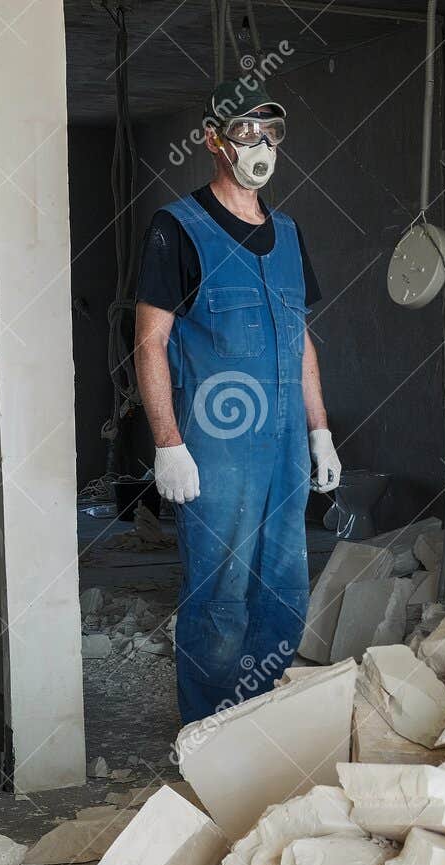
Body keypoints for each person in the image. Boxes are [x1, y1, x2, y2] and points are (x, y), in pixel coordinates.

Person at [134, 77, 341, 724]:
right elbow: (149, 342)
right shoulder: (178, 229)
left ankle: (258, 732)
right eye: (245, 131)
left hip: (284, 447)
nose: (260, 145)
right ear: (213, 140)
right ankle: (205, 738)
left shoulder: (289, 233)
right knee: (219, 597)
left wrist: (320, 430)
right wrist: (168, 444)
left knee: (282, 591)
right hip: (216, 449)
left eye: (270, 132)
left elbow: (302, 341)